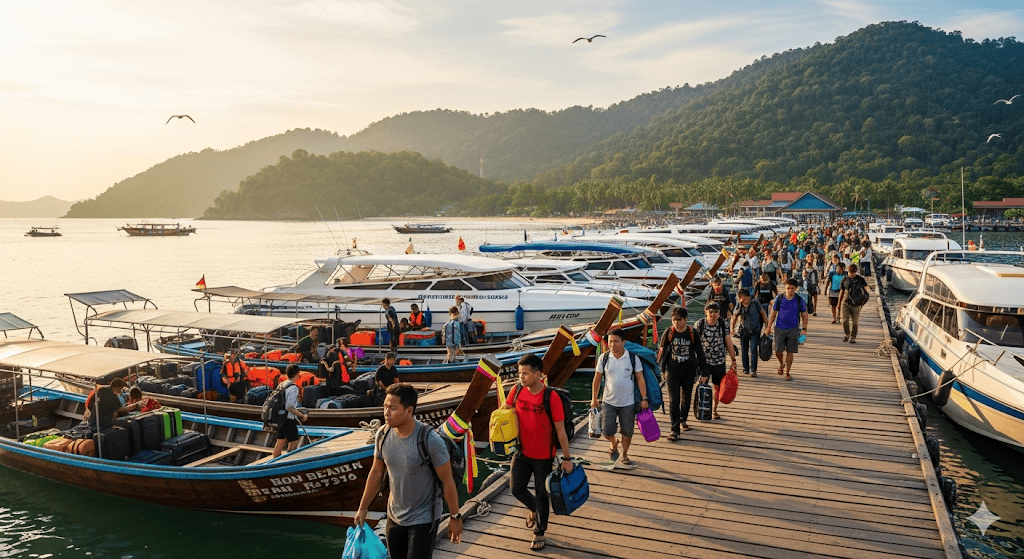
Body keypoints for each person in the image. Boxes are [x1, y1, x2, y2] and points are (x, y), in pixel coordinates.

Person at [354, 383, 463, 558]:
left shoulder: (430, 440)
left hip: (424, 518)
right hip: (394, 516)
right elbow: (376, 472)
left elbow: (447, 480)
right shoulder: (383, 435)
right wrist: (363, 507)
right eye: (385, 407)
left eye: (392, 408)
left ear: (409, 410)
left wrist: (455, 517)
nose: (386, 413)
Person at [504, 353, 574, 551]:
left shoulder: (550, 397)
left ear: (538, 374)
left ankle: (539, 532)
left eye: (525, 374)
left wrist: (567, 458)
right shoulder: (517, 390)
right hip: (522, 452)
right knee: (516, 489)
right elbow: (506, 410)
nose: (521, 377)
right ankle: (533, 508)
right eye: (520, 373)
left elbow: (560, 430)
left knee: (542, 495)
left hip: (544, 456)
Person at [590, 328, 648, 466]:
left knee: (627, 432)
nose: (612, 344)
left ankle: (625, 454)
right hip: (608, 401)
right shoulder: (603, 358)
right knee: (606, 431)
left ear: (623, 342)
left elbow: (640, 379)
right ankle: (613, 442)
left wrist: (644, 399)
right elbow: (597, 379)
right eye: (610, 341)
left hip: (628, 403)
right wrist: (594, 398)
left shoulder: (633, 358)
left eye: (616, 341)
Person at [657, 307, 707, 439]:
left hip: (689, 371)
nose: (676, 323)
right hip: (672, 372)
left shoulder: (692, 333)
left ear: (685, 319)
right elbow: (661, 352)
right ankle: (674, 430)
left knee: (686, 398)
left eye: (679, 320)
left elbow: (700, 353)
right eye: (674, 320)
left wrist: (704, 372)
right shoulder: (669, 332)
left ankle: (683, 418)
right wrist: (660, 369)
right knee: (674, 401)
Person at [694, 302, 738, 419]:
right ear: (706, 312)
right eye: (710, 312)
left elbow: (728, 341)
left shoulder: (723, 324)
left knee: (718, 387)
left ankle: (714, 409)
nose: (712, 314)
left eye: (715, 312)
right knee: (703, 385)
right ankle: (701, 409)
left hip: (719, 361)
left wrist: (733, 359)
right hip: (704, 362)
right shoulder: (700, 324)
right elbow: (694, 343)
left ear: (719, 313)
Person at [766, 278, 809, 381]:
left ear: (796, 289)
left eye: (792, 288)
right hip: (779, 328)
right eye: (788, 288)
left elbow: (804, 314)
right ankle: (781, 364)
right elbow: (773, 313)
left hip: (793, 329)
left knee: (790, 351)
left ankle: (788, 373)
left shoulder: (799, 300)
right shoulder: (779, 298)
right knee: (778, 351)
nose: (790, 290)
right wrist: (768, 327)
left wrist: (804, 328)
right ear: (785, 288)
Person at [731, 289, 769, 378]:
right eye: (740, 298)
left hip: (755, 330)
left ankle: (753, 370)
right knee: (744, 350)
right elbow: (734, 317)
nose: (741, 299)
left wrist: (767, 326)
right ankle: (746, 368)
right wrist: (732, 328)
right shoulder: (739, 305)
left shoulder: (755, 303)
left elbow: (763, 313)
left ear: (747, 297)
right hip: (744, 330)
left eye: (742, 298)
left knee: (753, 349)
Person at [272, 365, 308, 457]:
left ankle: (274, 463)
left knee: (281, 440)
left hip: (280, 417)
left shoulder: (282, 384)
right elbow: (289, 406)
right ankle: (288, 462)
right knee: (293, 442)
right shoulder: (293, 388)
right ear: (297, 375)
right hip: (288, 419)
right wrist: (301, 415)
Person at [839, 263, 869, 344]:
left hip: (856, 304)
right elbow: (841, 291)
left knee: (855, 322)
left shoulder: (860, 280)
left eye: (853, 272)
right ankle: (847, 334)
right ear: (848, 271)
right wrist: (839, 303)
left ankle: (853, 337)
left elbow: (867, 292)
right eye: (850, 272)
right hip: (846, 302)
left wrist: (862, 303)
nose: (851, 274)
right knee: (845, 320)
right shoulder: (844, 279)